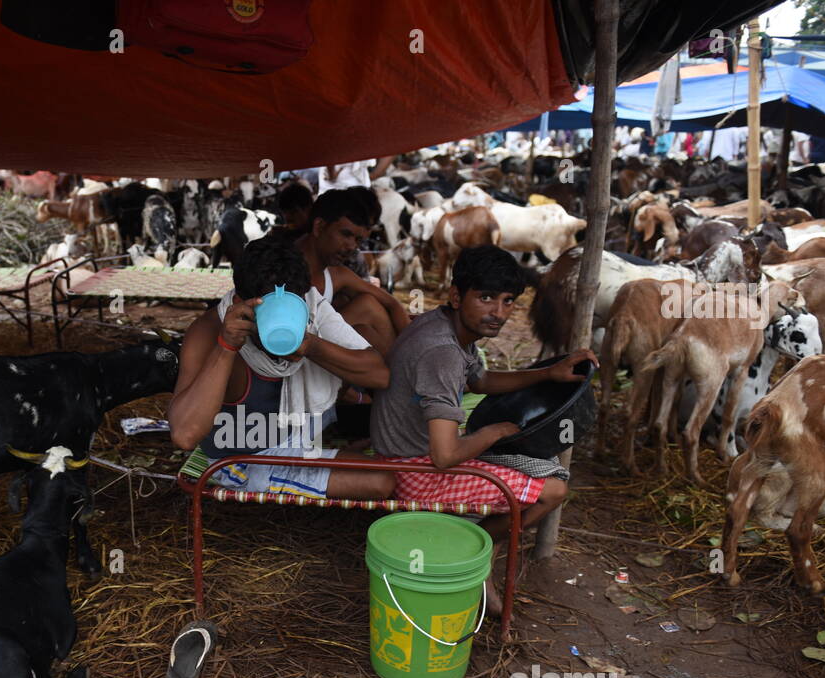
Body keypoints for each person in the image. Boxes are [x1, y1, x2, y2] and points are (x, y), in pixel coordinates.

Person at [370, 245, 596, 611]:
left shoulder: (446, 325)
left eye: (508, 301)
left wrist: (547, 373)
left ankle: (474, 543)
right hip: (413, 470)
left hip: (415, 453)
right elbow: (444, 457)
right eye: (486, 298)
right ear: (457, 296)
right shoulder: (441, 351)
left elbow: (480, 380)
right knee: (553, 490)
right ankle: (478, 551)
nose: (499, 313)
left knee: (539, 461)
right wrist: (494, 433)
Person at [168, 236, 394, 500]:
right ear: (242, 300)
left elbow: (379, 375)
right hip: (246, 458)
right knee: (381, 480)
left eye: (294, 305)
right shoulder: (209, 332)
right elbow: (185, 435)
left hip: (298, 429)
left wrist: (311, 346)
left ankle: (328, 440)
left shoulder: (308, 302)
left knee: (364, 337)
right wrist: (226, 346)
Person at [293, 186, 409, 357]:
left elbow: (391, 303)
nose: (352, 247)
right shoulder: (282, 265)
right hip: (291, 357)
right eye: (345, 234)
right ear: (319, 227)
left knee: (367, 316)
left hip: (318, 354)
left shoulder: (337, 274)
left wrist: (418, 346)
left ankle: (405, 369)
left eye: (358, 239)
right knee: (367, 308)